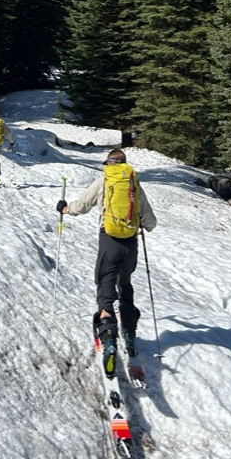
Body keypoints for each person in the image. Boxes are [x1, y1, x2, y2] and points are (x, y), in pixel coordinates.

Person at [56, 147, 156, 366]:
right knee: (125, 284)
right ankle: (129, 332)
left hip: (109, 240)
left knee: (105, 284)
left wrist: (65, 209)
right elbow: (150, 221)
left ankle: (108, 333)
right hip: (130, 243)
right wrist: (142, 224)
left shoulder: (104, 181)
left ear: (108, 164)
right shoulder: (133, 184)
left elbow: (82, 205)